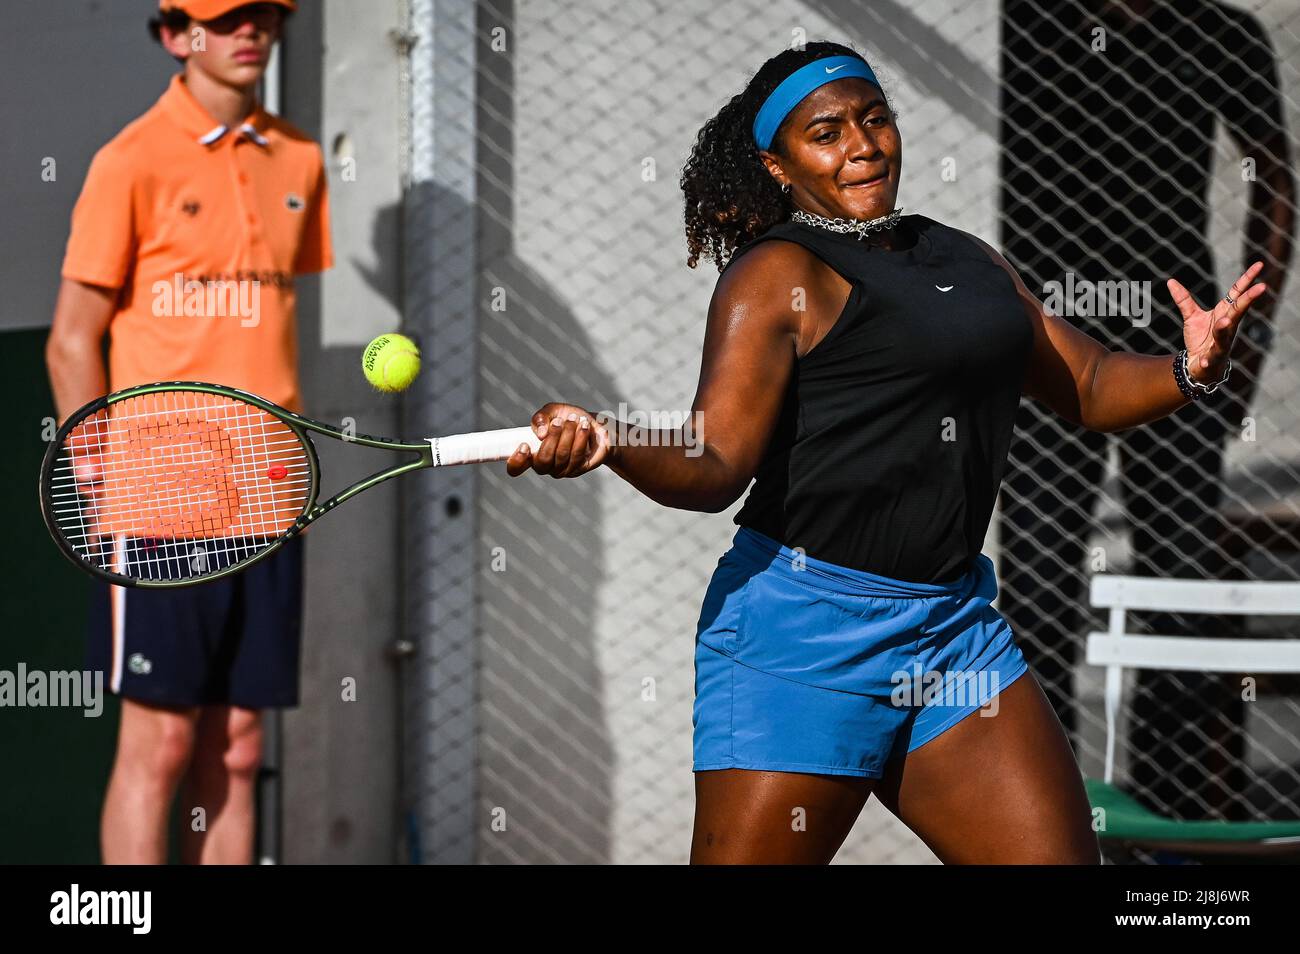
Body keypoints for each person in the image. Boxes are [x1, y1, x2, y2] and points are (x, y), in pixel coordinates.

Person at [503, 41, 1265, 864]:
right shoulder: (777, 275)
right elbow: (714, 461)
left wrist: (1192, 368)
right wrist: (609, 441)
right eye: (826, 132)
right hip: (802, 639)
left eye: (874, 120)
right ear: (778, 164)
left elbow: (1089, 382)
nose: (862, 145)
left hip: (951, 634)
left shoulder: (967, 258)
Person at [45, 0, 331, 864]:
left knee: (238, 747)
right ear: (178, 35)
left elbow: (267, 319)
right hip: (160, 501)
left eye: (268, 16)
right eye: (229, 16)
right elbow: (69, 339)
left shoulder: (303, 157)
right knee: (159, 744)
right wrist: (97, 476)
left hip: (271, 498)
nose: (252, 31)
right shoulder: (127, 161)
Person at [999, 0, 1294, 821]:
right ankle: (1041, 821)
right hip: (1050, 335)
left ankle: (1163, 823)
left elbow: (1275, 174)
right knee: (1036, 584)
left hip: (1176, 338)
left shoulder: (1218, 30)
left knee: (1175, 577)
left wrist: (1248, 342)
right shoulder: (1030, 18)